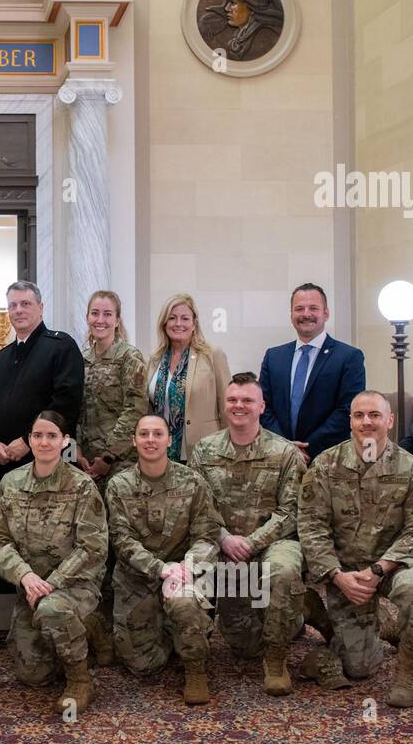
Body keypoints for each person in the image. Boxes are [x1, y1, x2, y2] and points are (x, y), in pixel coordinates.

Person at [297, 391, 413, 707]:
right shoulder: (325, 465)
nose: (366, 422)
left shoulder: (411, 470)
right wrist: (336, 576)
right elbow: (311, 527)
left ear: (390, 420)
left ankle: (408, 672)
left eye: (375, 415)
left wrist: (380, 569)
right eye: (359, 415)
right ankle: (368, 621)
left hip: (393, 566)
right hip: (346, 572)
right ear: (350, 421)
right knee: (359, 668)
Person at [189, 371, 306, 695]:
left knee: (282, 571)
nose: (238, 405)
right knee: (243, 645)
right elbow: (199, 507)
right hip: (221, 540)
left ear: (261, 406)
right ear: (225, 405)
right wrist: (225, 538)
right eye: (233, 400)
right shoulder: (204, 451)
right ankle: (191, 656)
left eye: (247, 400)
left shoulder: (284, 453)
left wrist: (252, 543)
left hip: (273, 541)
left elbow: (291, 511)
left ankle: (277, 658)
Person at [0, 411, 107, 715]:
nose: (44, 442)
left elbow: (91, 546)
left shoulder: (82, 486)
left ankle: (80, 679)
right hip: (31, 586)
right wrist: (26, 577)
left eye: (52, 436)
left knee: (52, 608)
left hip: (74, 584)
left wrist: (52, 583)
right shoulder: (10, 483)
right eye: (38, 435)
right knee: (33, 675)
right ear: (29, 439)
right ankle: (80, 632)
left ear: (65, 441)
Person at [107, 414, 222, 704]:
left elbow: (207, 536)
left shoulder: (193, 482)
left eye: (157, 434)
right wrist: (160, 569)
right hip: (138, 578)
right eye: (143, 434)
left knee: (182, 602)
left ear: (170, 440)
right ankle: (173, 632)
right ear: (133, 441)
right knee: (144, 665)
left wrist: (186, 568)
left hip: (184, 573)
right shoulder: (118, 485)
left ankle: (195, 670)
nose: (150, 440)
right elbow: (122, 540)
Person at [76, 290, 148, 667]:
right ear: (87, 317)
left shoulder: (130, 358)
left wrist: (107, 456)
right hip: (86, 466)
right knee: (93, 545)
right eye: (94, 313)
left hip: (118, 465)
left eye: (107, 314)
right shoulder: (82, 358)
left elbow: (135, 409)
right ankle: (97, 627)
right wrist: (80, 454)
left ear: (118, 319)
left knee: (121, 542)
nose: (100, 319)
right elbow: (74, 408)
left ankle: (130, 630)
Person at [0, 280, 84, 482]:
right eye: (13, 305)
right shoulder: (1, 358)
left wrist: (29, 439)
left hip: (48, 464)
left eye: (25, 304)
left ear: (41, 307)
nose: (18, 310)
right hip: (4, 464)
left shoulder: (62, 347)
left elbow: (66, 404)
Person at [259, 283, 366, 463]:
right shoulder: (273, 357)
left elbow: (348, 409)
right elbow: (263, 406)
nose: (306, 314)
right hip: (279, 458)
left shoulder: (349, 357)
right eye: (299, 308)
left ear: (326, 313)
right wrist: (286, 447)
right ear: (291, 315)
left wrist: (308, 448)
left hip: (329, 459)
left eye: (313, 308)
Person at [145, 293, 230, 462]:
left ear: (194, 323)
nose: (178, 324)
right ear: (164, 323)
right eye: (172, 318)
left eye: (185, 318)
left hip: (205, 451)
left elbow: (227, 405)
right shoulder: (155, 359)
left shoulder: (212, 355)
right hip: (161, 454)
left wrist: (229, 449)